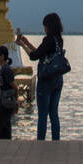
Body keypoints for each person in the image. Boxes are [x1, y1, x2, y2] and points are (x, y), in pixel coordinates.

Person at [17, 12, 65, 140]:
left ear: (48, 26)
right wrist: (27, 43)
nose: (44, 28)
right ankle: (56, 140)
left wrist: (22, 45)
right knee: (54, 113)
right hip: (57, 79)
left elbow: (33, 56)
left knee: (43, 114)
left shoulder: (48, 39)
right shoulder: (59, 40)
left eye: (45, 26)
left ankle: (41, 142)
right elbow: (41, 53)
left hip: (46, 81)